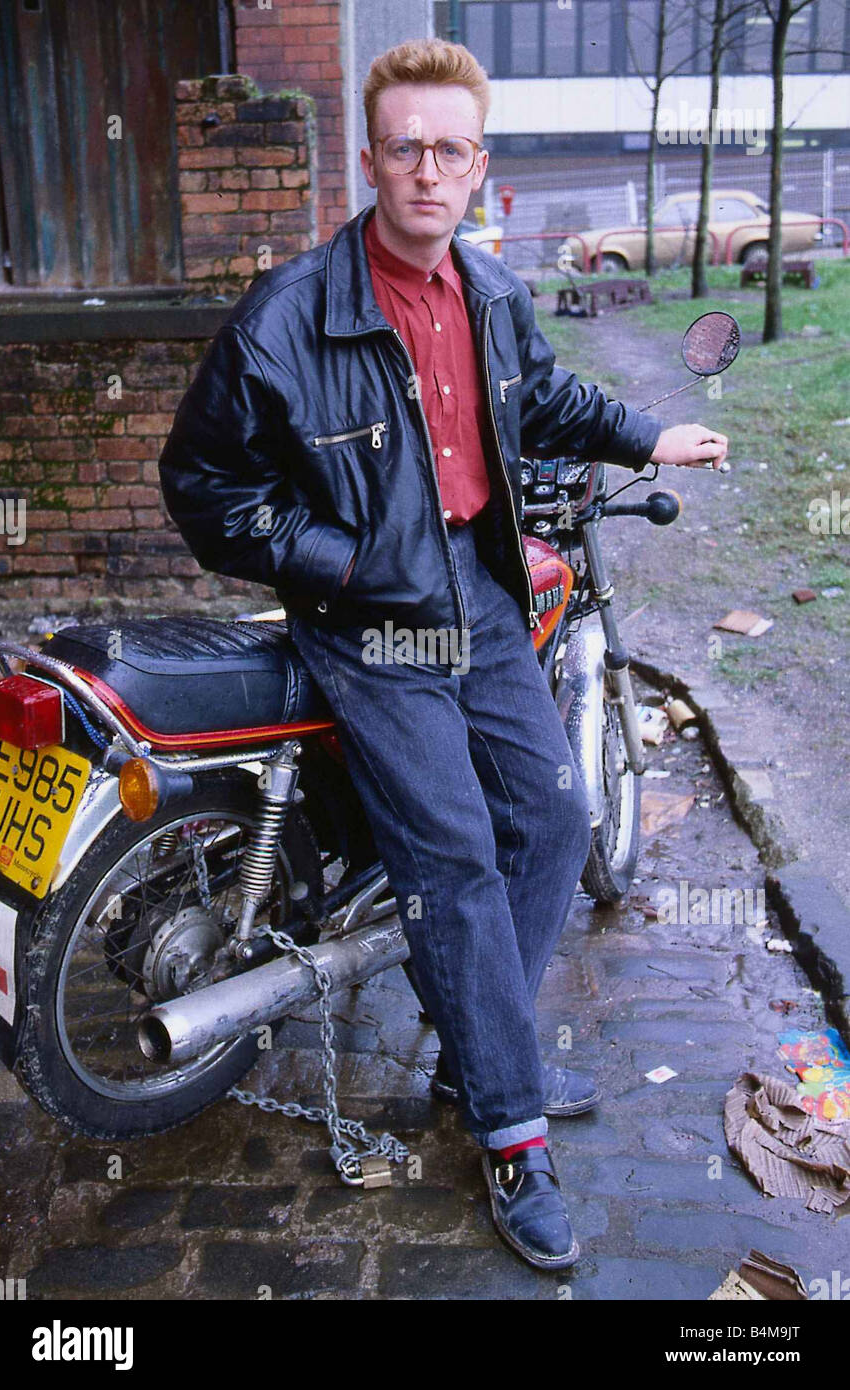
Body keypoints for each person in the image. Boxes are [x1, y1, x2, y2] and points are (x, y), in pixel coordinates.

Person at [158, 37, 729, 1270]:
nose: (429, 169)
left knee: (555, 817)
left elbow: (545, 398)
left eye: (451, 149)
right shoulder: (288, 315)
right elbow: (203, 485)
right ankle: (511, 1131)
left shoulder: (487, 290)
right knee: (456, 850)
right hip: (372, 616)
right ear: (371, 159)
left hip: (475, 587)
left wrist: (649, 435)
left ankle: (478, 1047)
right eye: (406, 146)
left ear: (481, 166)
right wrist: (341, 562)